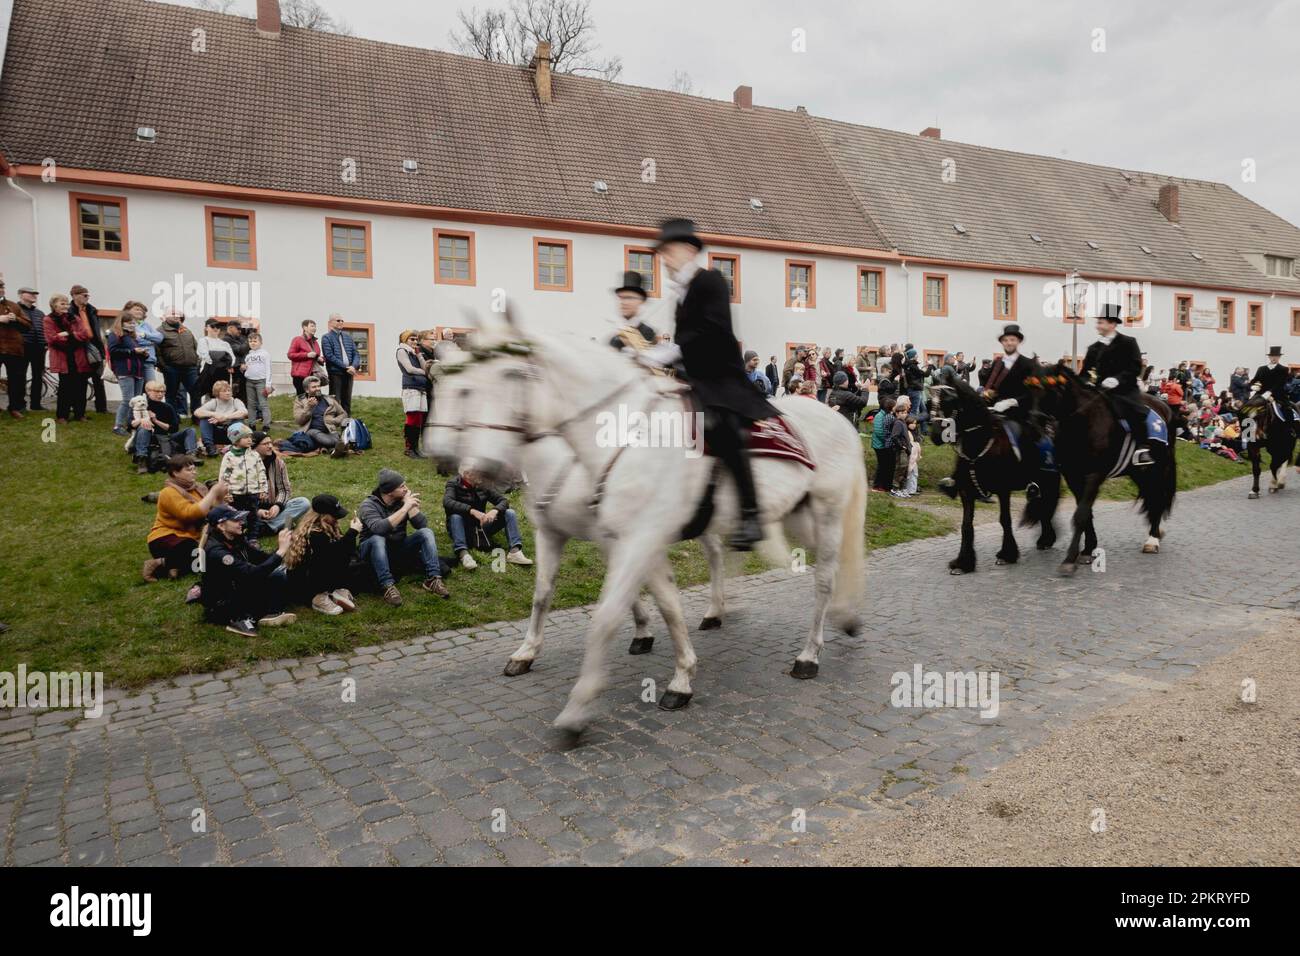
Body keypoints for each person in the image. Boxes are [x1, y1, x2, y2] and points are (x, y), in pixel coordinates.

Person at [648, 219, 777, 550]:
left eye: (669, 250)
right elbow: (685, 342)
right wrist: (663, 358)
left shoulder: (711, 280)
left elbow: (714, 332)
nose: (664, 258)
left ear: (689, 250)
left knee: (722, 427)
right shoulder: (679, 296)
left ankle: (752, 515)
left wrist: (670, 351)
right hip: (695, 379)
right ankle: (693, 504)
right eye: (662, 252)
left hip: (723, 378)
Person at [200, 505, 297, 637]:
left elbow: (261, 559)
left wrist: (283, 546)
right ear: (221, 526)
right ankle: (245, 618)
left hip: (239, 587)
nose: (242, 522)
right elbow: (252, 574)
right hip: (223, 603)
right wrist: (280, 552)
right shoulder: (217, 552)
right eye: (236, 520)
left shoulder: (236, 538)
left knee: (282, 572)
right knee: (278, 575)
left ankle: (271, 612)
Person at [357, 468, 450, 604]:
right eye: (402, 486)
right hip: (371, 550)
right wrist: (405, 508)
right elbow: (379, 529)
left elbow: (421, 524)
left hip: (398, 547)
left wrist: (411, 507)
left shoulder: (402, 501)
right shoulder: (368, 505)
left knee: (426, 533)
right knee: (378, 539)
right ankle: (387, 586)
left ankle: (433, 579)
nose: (406, 489)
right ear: (389, 491)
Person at [1082, 303, 1152, 466]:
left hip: (1124, 390)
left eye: (1101, 322)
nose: (1097, 325)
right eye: (1098, 322)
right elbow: (1084, 373)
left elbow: (1135, 367)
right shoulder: (1094, 348)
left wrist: (1117, 380)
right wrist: (1087, 384)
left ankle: (1143, 447)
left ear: (1112, 324)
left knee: (1134, 410)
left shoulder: (1128, 342)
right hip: (1100, 390)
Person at [143, 455, 226, 583]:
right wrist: (212, 493)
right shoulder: (168, 493)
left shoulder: (198, 488)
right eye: (189, 470)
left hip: (193, 537)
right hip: (166, 538)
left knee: (211, 556)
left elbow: (214, 513)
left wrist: (220, 497)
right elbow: (189, 514)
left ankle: (174, 568)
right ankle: (159, 563)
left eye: (194, 468)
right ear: (175, 473)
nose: (194, 472)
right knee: (200, 555)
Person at [283, 494, 360, 616]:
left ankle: (337, 591)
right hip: (308, 581)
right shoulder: (314, 534)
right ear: (323, 516)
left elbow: (345, 553)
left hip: (325, 574)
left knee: (360, 565)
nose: (337, 519)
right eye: (334, 515)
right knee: (332, 559)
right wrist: (352, 532)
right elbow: (331, 555)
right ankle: (318, 598)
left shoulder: (329, 527)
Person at [443, 466, 534, 569]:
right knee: (455, 517)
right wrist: (471, 511)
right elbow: (447, 502)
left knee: (510, 513)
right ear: (467, 474)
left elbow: (503, 501)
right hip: (462, 529)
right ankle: (463, 554)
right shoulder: (453, 484)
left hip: (481, 526)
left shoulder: (483, 484)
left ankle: (515, 551)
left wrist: (495, 510)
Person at [43, 293, 94, 423]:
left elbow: (85, 334)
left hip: (78, 357)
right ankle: (62, 416)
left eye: (66, 303)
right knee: (65, 388)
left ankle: (80, 414)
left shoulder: (74, 318)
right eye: (62, 303)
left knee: (81, 387)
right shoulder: (48, 319)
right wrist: (73, 338)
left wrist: (69, 335)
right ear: (54, 305)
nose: (66, 306)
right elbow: (52, 339)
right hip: (63, 358)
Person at [130, 379, 199, 472]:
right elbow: (129, 426)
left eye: (163, 392)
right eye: (157, 391)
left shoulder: (167, 407)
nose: (160, 394)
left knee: (190, 430)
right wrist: (143, 420)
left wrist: (155, 420)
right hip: (147, 436)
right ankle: (142, 459)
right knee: (145, 427)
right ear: (148, 392)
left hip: (166, 436)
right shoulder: (140, 404)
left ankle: (191, 455)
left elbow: (174, 428)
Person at [252, 431, 310, 533]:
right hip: (252, 509)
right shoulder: (244, 464)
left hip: (273, 505)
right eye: (265, 444)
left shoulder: (278, 462)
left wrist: (277, 506)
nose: (270, 446)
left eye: (270, 443)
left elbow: (284, 489)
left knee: (303, 503)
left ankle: (269, 527)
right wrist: (257, 511)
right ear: (254, 447)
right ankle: (284, 524)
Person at [219, 422, 270, 535]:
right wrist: (225, 493)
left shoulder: (254, 455)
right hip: (236, 494)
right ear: (236, 440)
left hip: (253, 493)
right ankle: (239, 535)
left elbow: (261, 472)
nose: (249, 440)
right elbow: (224, 477)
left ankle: (252, 538)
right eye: (245, 437)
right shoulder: (229, 457)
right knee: (236, 516)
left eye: (250, 437)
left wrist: (263, 489)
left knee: (253, 516)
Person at [107, 310, 149, 435]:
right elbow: (113, 351)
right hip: (125, 371)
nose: (132, 325)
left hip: (138, 371)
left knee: (137, 400)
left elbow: (135, 352)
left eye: (134, 323)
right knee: (128, 400)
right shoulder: (115, 335)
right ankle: (118, 426)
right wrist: (133, 351)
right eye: (129, 323)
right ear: (122, 323)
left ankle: (132, 424)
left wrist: (144, 354)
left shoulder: (132, 337)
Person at [68, 285, 108, 414]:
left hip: (94, 346)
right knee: (80, 380)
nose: (87, 298)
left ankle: (101, 408)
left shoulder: (92, 310)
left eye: (88, 295)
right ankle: (79, 409)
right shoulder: (69, 311)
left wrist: (102, 351)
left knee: (98, 378)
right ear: (74, 295)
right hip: (79, 347)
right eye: (84, 295)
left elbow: (97, 332)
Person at [157, 310, 201, 418]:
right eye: (172, 314)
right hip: (171, 368)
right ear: (165, 316)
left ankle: (197, 418)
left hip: (190, 368)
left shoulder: (186, 330)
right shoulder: (160, 331)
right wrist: (164, 366)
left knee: (196, 392)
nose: (176, 316)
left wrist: (196, 363)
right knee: (171, 394)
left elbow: (196, 347)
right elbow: (157, 352)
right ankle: (172, 418)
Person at [0, 279, 33, 418]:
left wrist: (16, 319)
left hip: (13, 348)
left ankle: (14, 408)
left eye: (2, 286)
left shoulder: (13, 305)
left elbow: (28, 324)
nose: (1, 289)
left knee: (15, 380)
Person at [292, 375, 348, 456]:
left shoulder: (329, 399)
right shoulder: (300, 401)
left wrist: (334, 421)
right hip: (311, 431)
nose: (318, 389)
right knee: (318, 435)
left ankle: (333, 450)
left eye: (318, 386)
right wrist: (308, 407)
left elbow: (343, 414)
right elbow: (299, 421)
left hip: (329, 430)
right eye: (314, 387)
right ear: (307, 390)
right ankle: (339, 445)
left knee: (332, 436)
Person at [396, 330, 431, 459]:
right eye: (412, 339)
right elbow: (409, 369)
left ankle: (416, 448)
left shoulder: (414, 352)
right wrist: (424, 373)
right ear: (405, 340)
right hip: (411, 387)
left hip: (421, 387)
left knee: (419, 418)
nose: (415, 342)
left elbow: (424, 366)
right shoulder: (402, 351)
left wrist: (419, 355)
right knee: (412, 417)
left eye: (416, 339)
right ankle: (409, 448)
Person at [194, 379, 249, 455]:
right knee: (205, 419)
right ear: (217, 393)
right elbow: (197, 412)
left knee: (238, 420)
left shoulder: (235, 401)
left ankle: (236, 444)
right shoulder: (214, 402)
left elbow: (244, 412)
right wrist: (214, 415)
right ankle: (209, 447)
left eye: (229, 390)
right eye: (224, 391)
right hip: (216, 433)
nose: (228, 393)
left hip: (231, 434)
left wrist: (226, 417)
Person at [608, 271, 657, 351]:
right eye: (621, 297)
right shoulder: (614, 337)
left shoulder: (648, 332)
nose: (624, 302)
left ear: (641, 301)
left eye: (629, 298)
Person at [322, 314, 360, 414]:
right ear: (331, 323)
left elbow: (356, 353)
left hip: (349, 373)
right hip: (336, 373)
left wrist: (353, 366)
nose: (341, 322)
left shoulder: (348, 337)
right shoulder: (326, 338)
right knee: (335, 401)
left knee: (347, 401)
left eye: (342, 321)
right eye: (338, 320)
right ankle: (332, 426)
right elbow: (329, 356)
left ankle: (346, 426)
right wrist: (346, 367)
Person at [1250, 347, 1294, 426]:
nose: (1274, 358)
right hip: (1261, 394)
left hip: (1277, 394)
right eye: (1272, 356)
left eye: (1276, 356)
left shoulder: (1283, 369)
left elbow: (1280, 383)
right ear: (1269, 357)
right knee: (1246, 408)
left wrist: (1270, 392)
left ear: (1279, 357)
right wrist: (1252, 386)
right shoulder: (1261, 369)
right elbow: (1255, 379)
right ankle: (1246, 431)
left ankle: (1290, 429)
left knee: (1287, 410)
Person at [195, 318, 235, 403]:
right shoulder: (203, 341)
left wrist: (228, 364)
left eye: (217, 326)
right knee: (206, 394)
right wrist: (222, 358)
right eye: (212, 326)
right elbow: (204, 355)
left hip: (223, 371)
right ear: (206, 328)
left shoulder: (224, 343)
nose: (215, 328)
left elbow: (232, 358)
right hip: (208, 371)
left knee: (222, 394)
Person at [243, 331, 273, 430]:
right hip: (249, 382)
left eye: (255, 341)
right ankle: (251, 424)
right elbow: (247, 369)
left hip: (261, 381)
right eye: (250, 341)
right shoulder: (248, 356)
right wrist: (242, 368)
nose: (252, 343)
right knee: (251, 404)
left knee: (263, 404)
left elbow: (269, 369)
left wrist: (268, 384)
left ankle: (266, 425)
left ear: (261, 342)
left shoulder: (265, 354)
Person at [288, 320, 323, 396]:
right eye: (312, 326)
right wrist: (307, 355)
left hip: (313, 375)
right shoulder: (297, 339)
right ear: (305, 327)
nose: (314, 328)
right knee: (302, 400)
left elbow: (317, 356)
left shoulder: (315, 342)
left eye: (315, 326)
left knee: (314, 399)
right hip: (300, 375)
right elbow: (290, 355)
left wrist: (321, 359)